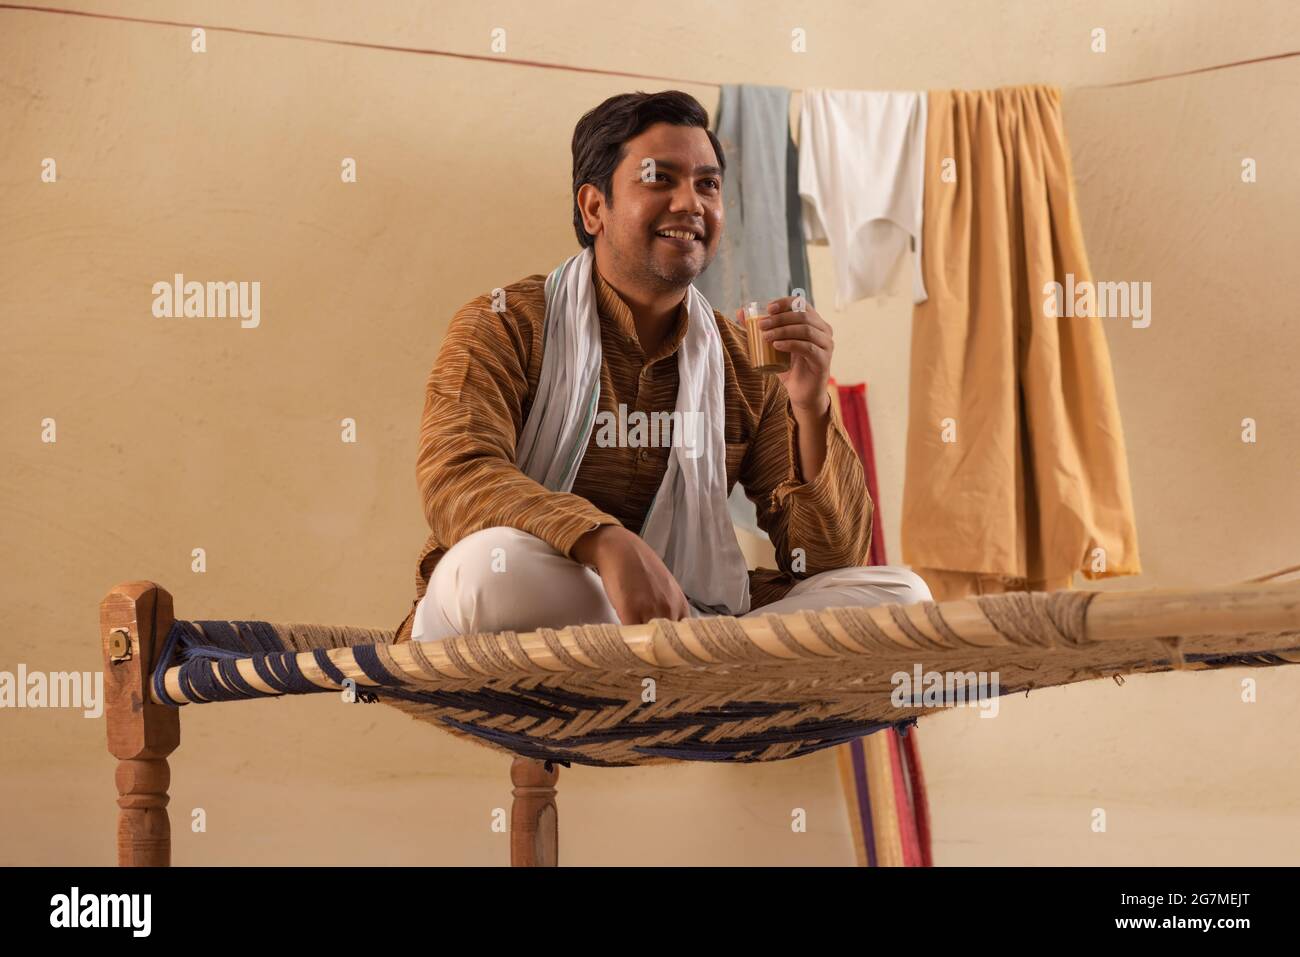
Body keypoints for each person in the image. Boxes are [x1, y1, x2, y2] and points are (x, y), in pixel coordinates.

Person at [393, 90, 931, 645]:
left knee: (904, 600)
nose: (690, 203)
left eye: (708, 183)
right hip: (537, 596)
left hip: (680, 612)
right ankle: (700, 661)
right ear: (594, 207)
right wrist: (603, 542)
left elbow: (826, 559)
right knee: (490, 567)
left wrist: (811, 405)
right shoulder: (505, 324)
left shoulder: (741, 359)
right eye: (660, 179)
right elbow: (456, 478)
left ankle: (679, 656)